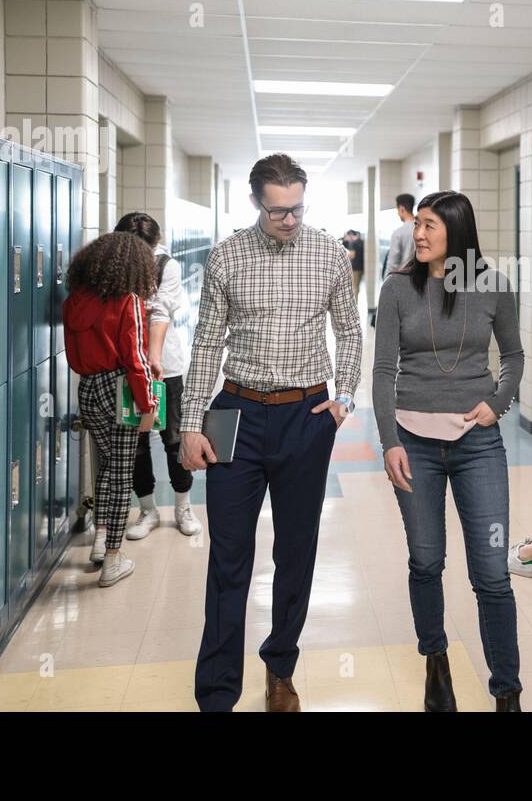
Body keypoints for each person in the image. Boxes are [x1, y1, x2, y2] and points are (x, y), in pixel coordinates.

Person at [178, 153, 361, 713]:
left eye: (298, 207)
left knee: (296, 551)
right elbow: (207, 342)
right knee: (229, 555)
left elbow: (349, 330)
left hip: (306, 416)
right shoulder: (228, 256)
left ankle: (280, 669)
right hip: (235, 411)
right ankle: (216, 693)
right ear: (258, 202)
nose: (290, 219)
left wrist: (344, 397)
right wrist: (189, 423)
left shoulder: (330, 252)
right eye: (279, 210)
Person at [373, 190, 526, 712]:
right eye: (417, 224)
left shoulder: (494, 287)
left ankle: (507, 690)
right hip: (413, 443)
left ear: (456, 232)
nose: (418, 234)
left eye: (430, 225)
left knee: (491, 573)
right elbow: (382, 371)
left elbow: (513, 355)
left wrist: (497, 404)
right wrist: (390, 441)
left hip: (477, 445)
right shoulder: (396, 288)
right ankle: (435, 662)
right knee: (426, 560)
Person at [62, 231, 160, 587]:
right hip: (120, 388)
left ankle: (101, 541)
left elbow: (73, 354)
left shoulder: (74, 301)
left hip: (87, 389)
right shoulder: (127, 301)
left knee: (107, 468)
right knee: (120, 476)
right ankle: (112, 562)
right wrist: (147, 404)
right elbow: (135, 359)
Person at [113, 212, 201, 540]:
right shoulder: (115, 262)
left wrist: (153, 357)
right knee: (135, 439)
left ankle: (183, 505)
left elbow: (161, 309)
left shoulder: (167, 266)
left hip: (166, 366)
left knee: (173, 438)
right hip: (126, 365)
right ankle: (147, 510)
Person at [383, 193, 415, 277]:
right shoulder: (424, 230)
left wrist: (386, 283)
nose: (398, 213)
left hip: (402, 280)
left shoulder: (398, 233)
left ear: (402, 209)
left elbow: (392, 264)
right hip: (420, 280)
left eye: (397, 210)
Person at [345, 229, 365, 301]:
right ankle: (356, 301)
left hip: (354, 268)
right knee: (358, 286)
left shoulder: (353, 243)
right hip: (362, 268)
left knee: (354, 287)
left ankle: (354, 303)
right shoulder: (363, 242)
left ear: (351, 235)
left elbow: (352, 255)